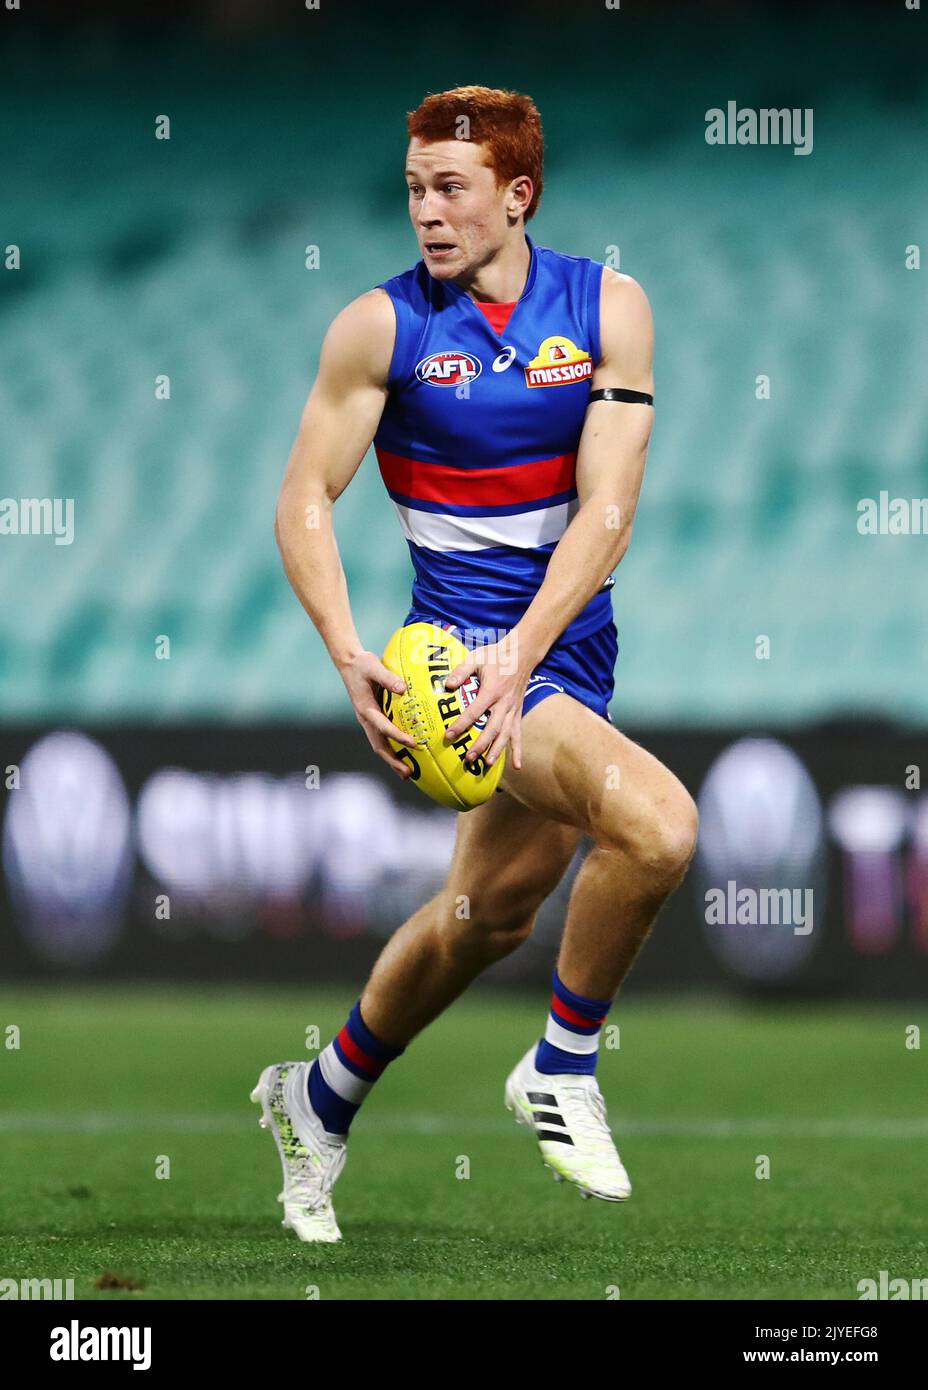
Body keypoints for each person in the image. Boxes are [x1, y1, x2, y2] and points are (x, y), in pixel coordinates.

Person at [255, 85, 698, 1241]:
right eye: (413, 189)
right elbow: (303, 498)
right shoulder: (380, 328)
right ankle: (562, 1064)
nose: (426, 211)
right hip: (459, 662)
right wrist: (348, 651)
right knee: (658, 827)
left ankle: (316, 1097)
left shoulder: (606, 307)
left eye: (450, 187)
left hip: (559, 655)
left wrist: (529, 653)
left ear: (518, 195)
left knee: (483, 917)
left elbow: (609, 509)